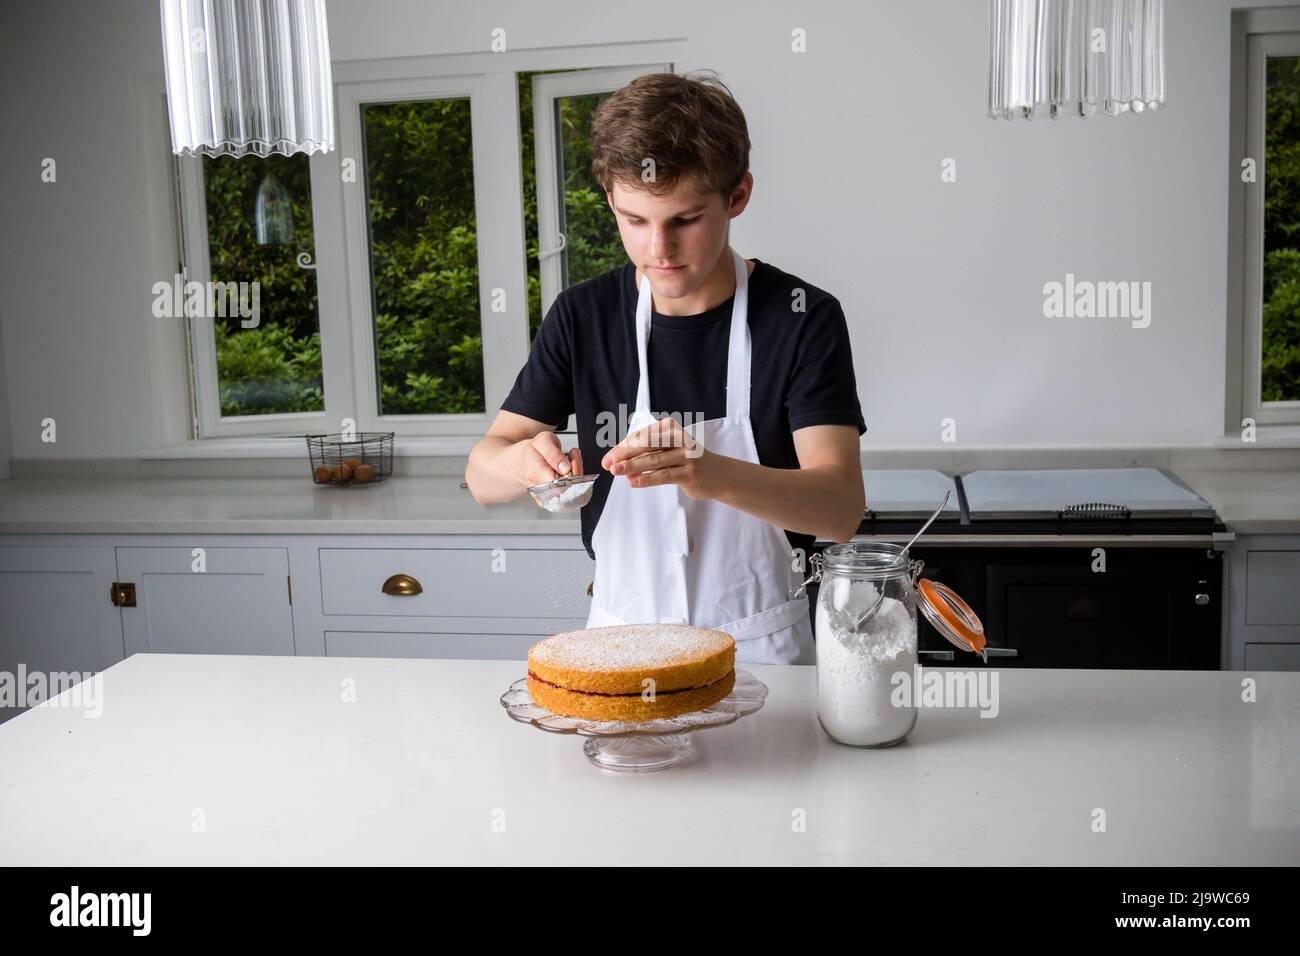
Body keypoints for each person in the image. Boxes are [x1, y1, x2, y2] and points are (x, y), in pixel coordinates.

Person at [465, 71, 866, 664]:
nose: (659, 250)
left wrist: (711, 474)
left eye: (684, 220)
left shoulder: (802, 317)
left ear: (737, 196)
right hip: (619, 644)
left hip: (760, 651)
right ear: (611, 202)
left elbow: (839, 510)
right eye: (635, 220)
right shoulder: (584, 316)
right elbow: (481, 476)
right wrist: (525, 463)